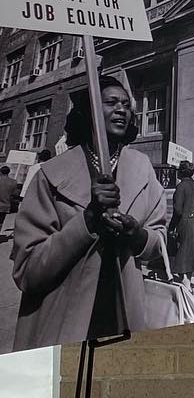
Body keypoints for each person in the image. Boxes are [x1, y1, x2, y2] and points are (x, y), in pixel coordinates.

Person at [11, 77, 166, 347]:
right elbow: (28, 272)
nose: (122, 109)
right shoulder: (50, 175)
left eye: (126, 104)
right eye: (111, 103)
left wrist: (136, 234)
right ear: (89, 111)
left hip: (123, 317)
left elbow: (159, 245)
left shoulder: (143, 169)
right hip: (62, 322)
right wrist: (87, 221)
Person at [168, 159, 194, 290]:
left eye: (178, 170)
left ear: (182, 172)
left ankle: (184, 280)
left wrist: (171, 226)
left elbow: (177, 210)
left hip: (184, 221)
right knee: (192, 251)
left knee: (182, 249)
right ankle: (188, 279)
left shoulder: (181, 186)